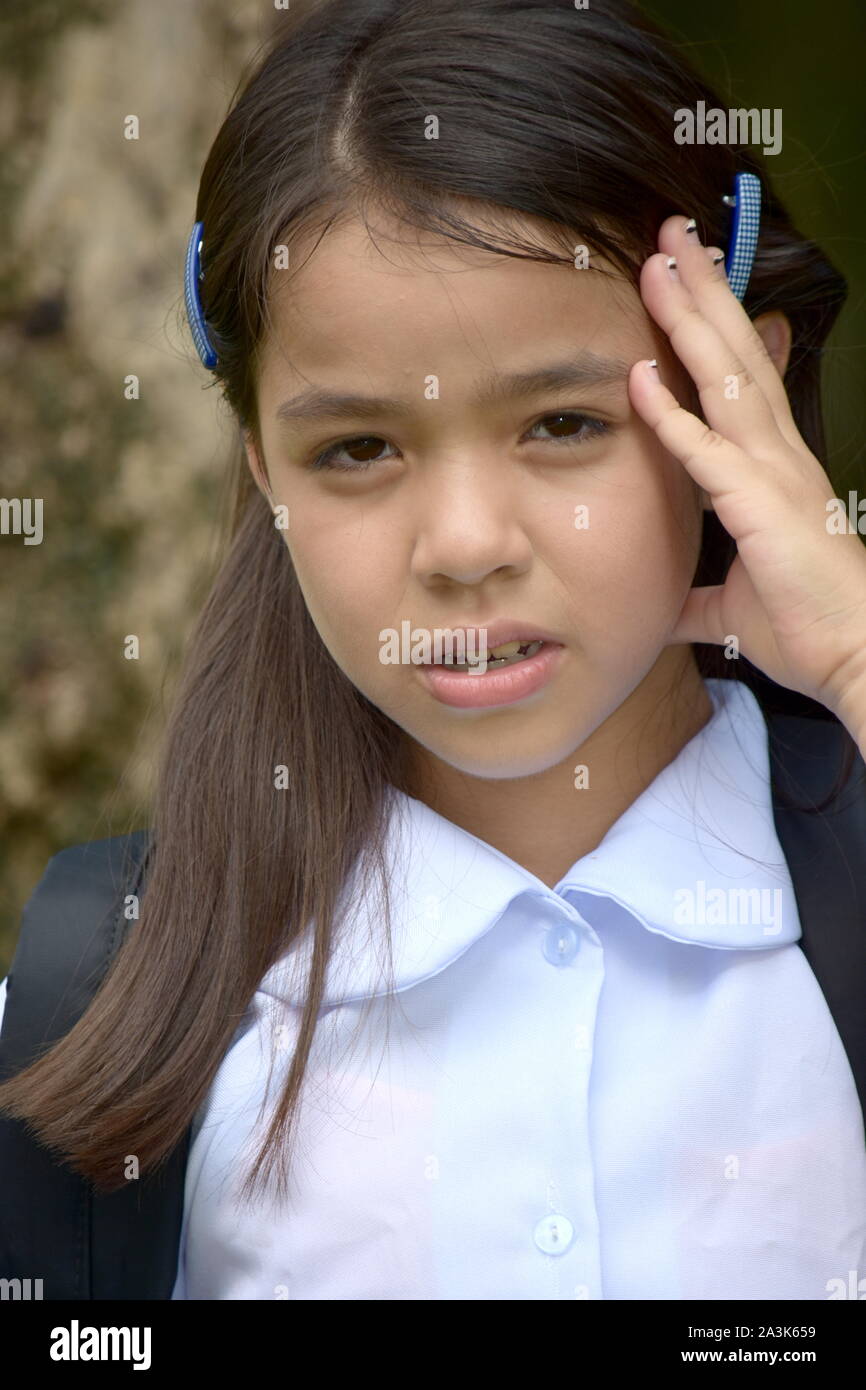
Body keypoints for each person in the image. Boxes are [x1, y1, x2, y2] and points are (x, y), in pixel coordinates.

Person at [2, 0, 866, 1300]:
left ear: (725, 388)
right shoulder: (99, 994)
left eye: (562, 422)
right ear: (262, 468)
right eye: (356, 449)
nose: (463, 543)